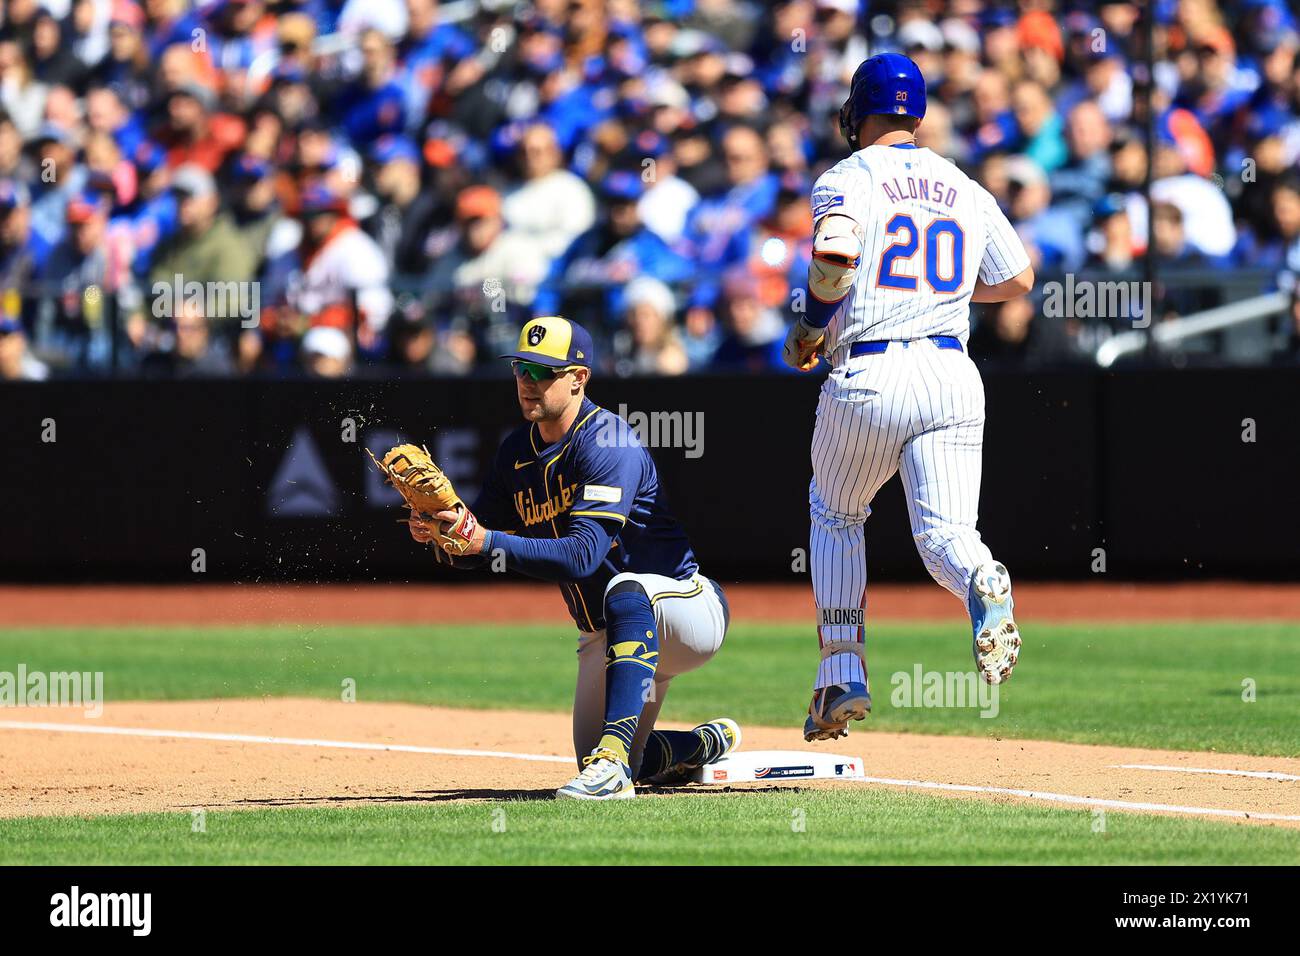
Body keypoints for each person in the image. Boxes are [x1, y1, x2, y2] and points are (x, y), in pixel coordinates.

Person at [782, 54, 1034, 742]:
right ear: (916, 114)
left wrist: (809, 326)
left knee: (836, 514)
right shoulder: (963, 182)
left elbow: (834, 257)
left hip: (871, 371)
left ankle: (841, 672)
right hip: (953, 372)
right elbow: (1017, 278)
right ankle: (982, 576)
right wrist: (939, 293)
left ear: (858, 113)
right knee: (946, 538)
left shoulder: (848, 175)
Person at [403, 316, 737, 800]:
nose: (526, 382)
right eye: (521, 369)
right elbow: (475, 548)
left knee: (625, 589)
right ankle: (702, 742)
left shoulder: (607, 441)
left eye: (543, 372)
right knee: (595, 753)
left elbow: (581, 556)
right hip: (606, 633)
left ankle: (616, 765)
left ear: (578, 379)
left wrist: (482, 540)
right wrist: (445, 531)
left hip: (683, 612)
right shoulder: (516, 451)